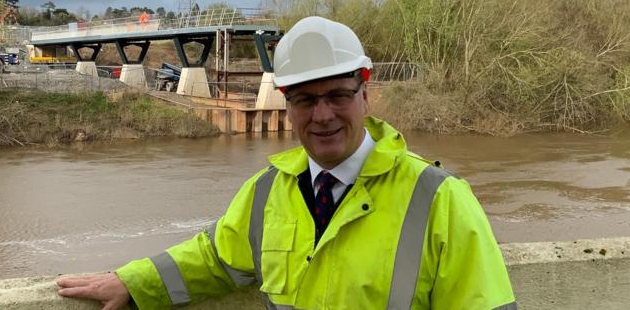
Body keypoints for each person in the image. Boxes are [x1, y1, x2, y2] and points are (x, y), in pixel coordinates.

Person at [57, 16, 516, 309]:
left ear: (366, 94)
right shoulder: (267, 192)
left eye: (338, 95)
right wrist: (133, 283)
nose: (323, 115)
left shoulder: (438, 199)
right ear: (288, 105)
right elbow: (214, 258)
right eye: (305, 100)